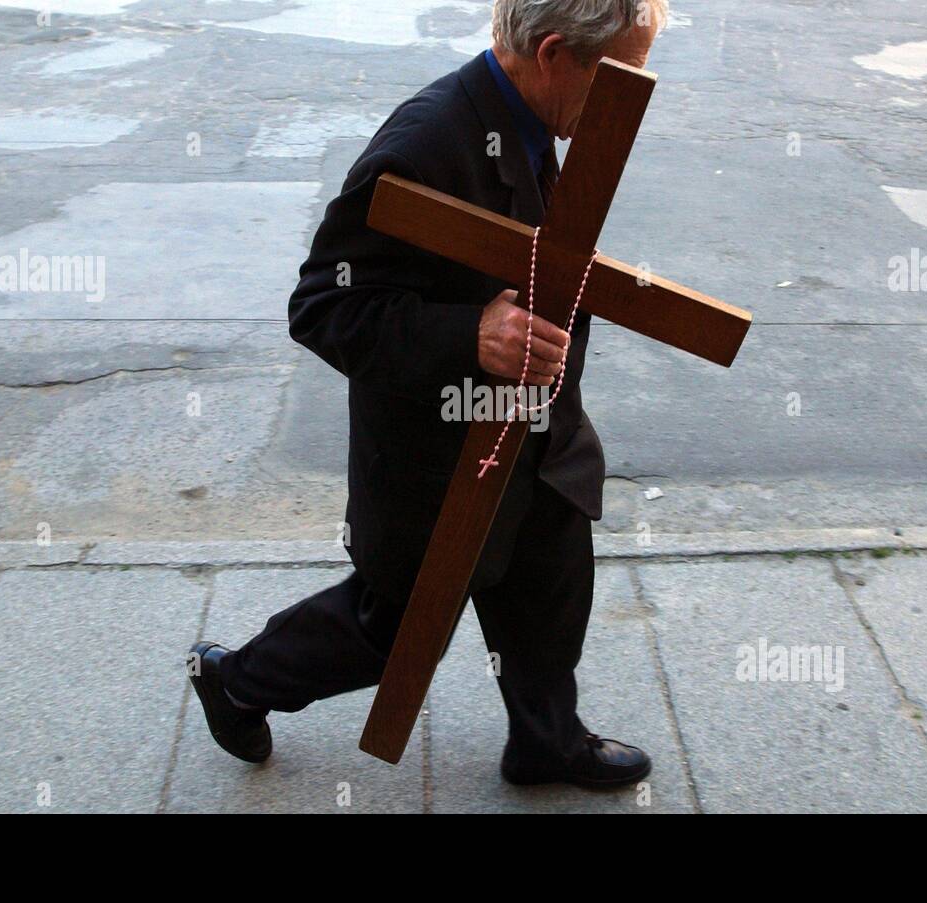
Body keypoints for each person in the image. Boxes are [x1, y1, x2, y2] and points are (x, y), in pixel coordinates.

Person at [188, 0, 667, 788]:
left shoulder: (535, 119)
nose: (639, 89)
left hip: (536, 438)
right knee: (395, 631)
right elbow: (324, 306)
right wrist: (468, 336)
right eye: (625, 69)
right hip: (438, 462)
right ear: (553, 53)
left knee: (547, 599)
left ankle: (547, 743)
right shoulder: (425, 143)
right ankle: (236, 678)